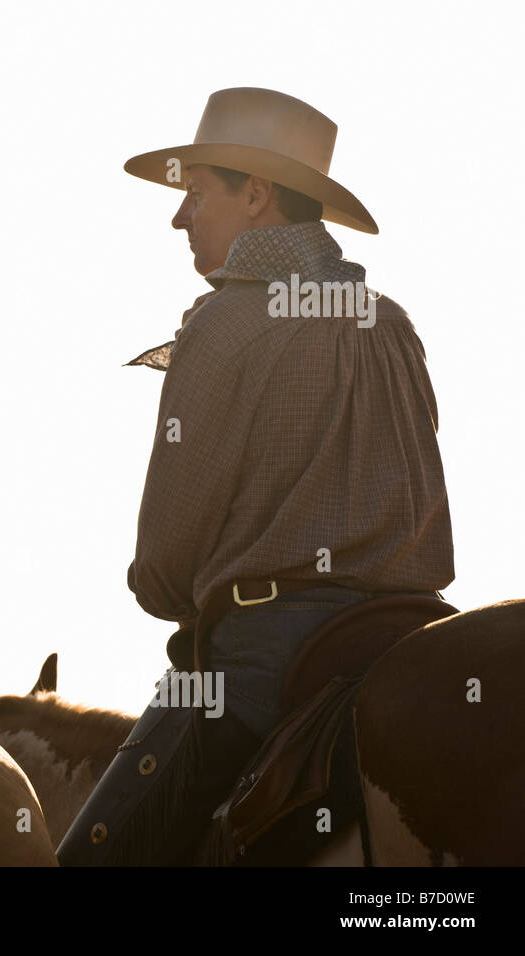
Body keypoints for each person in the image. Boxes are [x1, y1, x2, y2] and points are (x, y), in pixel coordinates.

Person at [57, 89, 454, 865]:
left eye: (197, 195)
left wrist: (164, 592)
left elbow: (168, 562)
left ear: (258, 194)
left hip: (266, 660)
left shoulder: (224, 324)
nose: (180, 219)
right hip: (416, 637)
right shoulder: (392, 323)